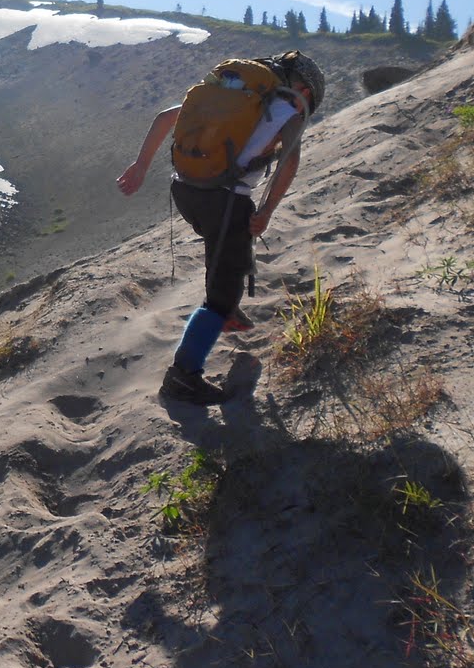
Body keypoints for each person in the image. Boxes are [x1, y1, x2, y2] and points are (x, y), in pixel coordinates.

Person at [116, 52, 326, 406]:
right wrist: (268, 210)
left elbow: (166, 117)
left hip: (185, 190)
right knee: (224, 282)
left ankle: (225, 310)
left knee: (228, 253)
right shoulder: (288, 109)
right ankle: (183, 375)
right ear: (303, 88)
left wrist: (140, 165)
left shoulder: (234, 92)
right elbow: (289, 161)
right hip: (226, 200)